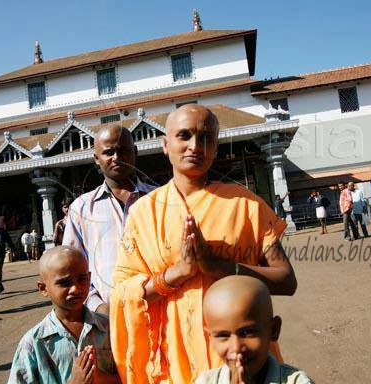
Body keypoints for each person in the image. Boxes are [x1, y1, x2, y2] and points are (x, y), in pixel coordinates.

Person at [110, 105, 297, 383]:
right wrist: (178, 273)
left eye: (206, 137)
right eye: (184, 135)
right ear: (165, 144)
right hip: (173, 360)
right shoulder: (143, 213)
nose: (195, 146)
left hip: (239, 356)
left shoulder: (246, 205)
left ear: (216, 147)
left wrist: (218, 266)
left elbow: (286, 280)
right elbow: (123, 293)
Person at [63, 124, 155, 316]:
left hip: (160, 308)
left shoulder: (159, 199)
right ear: (96, 159)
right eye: (108, 152)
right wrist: (100, 308)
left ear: (135, 152)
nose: (117, 158)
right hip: (107, 318)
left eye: (123, 150)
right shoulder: (81, 209)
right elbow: (72, 270)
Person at [8, 246, 119, 384]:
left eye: (82, 279)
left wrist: (100, 378)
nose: (75, 288)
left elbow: (132, 377)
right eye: (64, 283)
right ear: (43, 288)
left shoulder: (110, 328)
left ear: (89, 278)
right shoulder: (34, 343)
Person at [195, 276, 312, 384]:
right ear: (209, 337)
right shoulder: (205, 381)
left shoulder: (298, 381)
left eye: (247, 332)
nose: (236, 348)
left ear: (274, 330)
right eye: (222, 335)